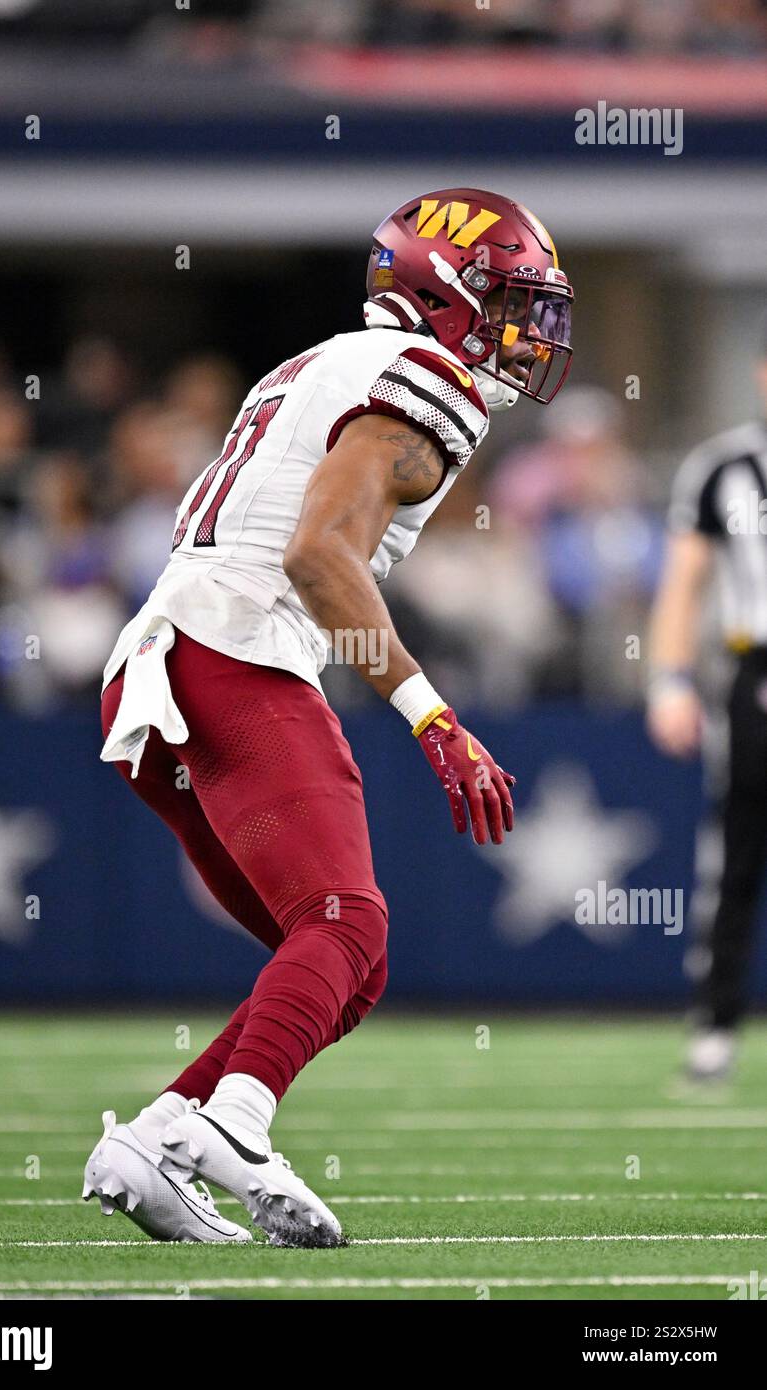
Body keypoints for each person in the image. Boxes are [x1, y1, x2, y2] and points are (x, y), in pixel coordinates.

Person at [84, 187, 574, 1246]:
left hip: (163, 659)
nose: (527, 335)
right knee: (348, 925)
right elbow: (315, 557)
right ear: (444, 295)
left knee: (345, 966)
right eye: (507, 301)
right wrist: (430, 714)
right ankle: (238, 1124)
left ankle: (163, 1133)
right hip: (237, 650)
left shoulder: (320, 361)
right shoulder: (428, 383)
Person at [647, 334, 767, 1082]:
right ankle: (716, 1022)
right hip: (754, 669)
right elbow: (683, 582)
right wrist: (668, 679)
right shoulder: (724, 466)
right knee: (737, 849)